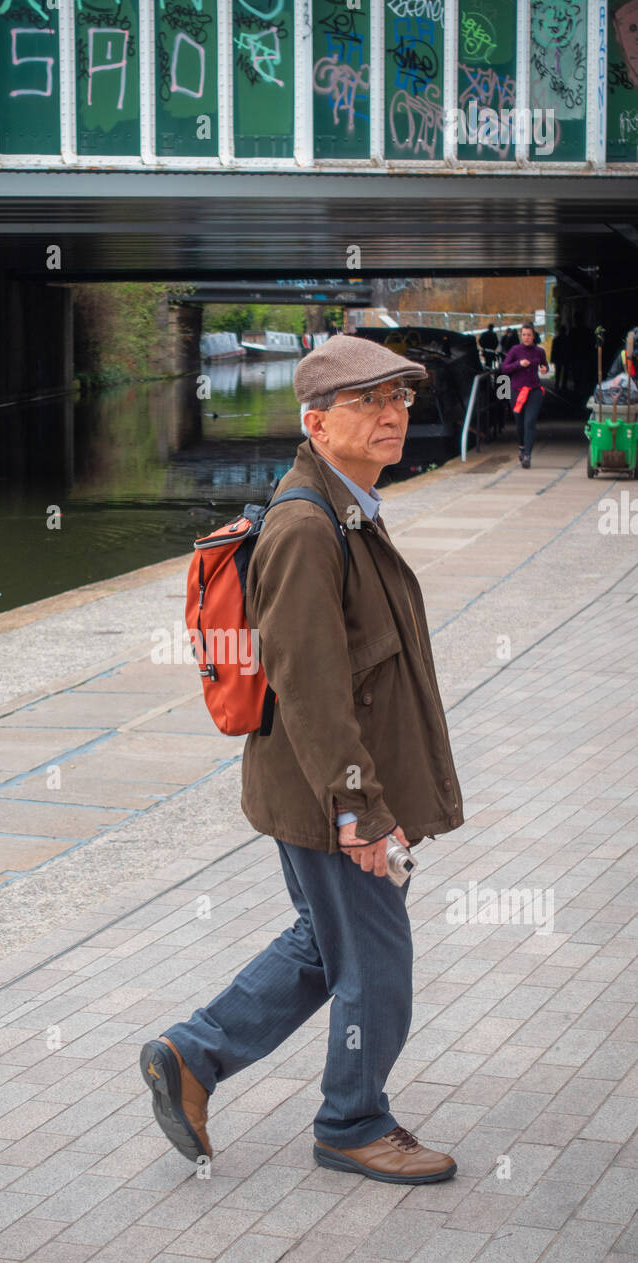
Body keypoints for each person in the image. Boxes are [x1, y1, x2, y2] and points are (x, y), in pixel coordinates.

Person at [141, 335, 465, 1187]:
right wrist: (359, 809)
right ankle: (352, 1122)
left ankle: (192, 1057)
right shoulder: (305, 526)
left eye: (399, 398)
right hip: (333, 796)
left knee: (327, 950)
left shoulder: (347, 504)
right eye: (369, 402)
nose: (393, 414)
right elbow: (312, 684)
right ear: (317, 424)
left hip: (325, 787)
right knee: (376, 964)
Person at [500, 319, 549, 467]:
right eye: (524, 335)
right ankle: (521, 446)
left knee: (530, 422)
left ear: (534, 336)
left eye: (529, 335)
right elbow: (504, 369)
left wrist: (544, 369)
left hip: (534, 391)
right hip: (517, 392)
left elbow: (544, 364)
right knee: (520, 423)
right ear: (521, 336)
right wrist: (518, 364)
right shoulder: (515, 350)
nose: (526, 337)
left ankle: (527, 455)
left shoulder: (539, 351)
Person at [550, 324, 571, 392]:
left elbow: (553, 350)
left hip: (559, 357)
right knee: (564, 372)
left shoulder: (556, 339)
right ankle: (563, 385)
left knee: (558, 372)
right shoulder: (568, 339)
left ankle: (557, 384)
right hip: (565, 357)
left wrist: (552, 359)